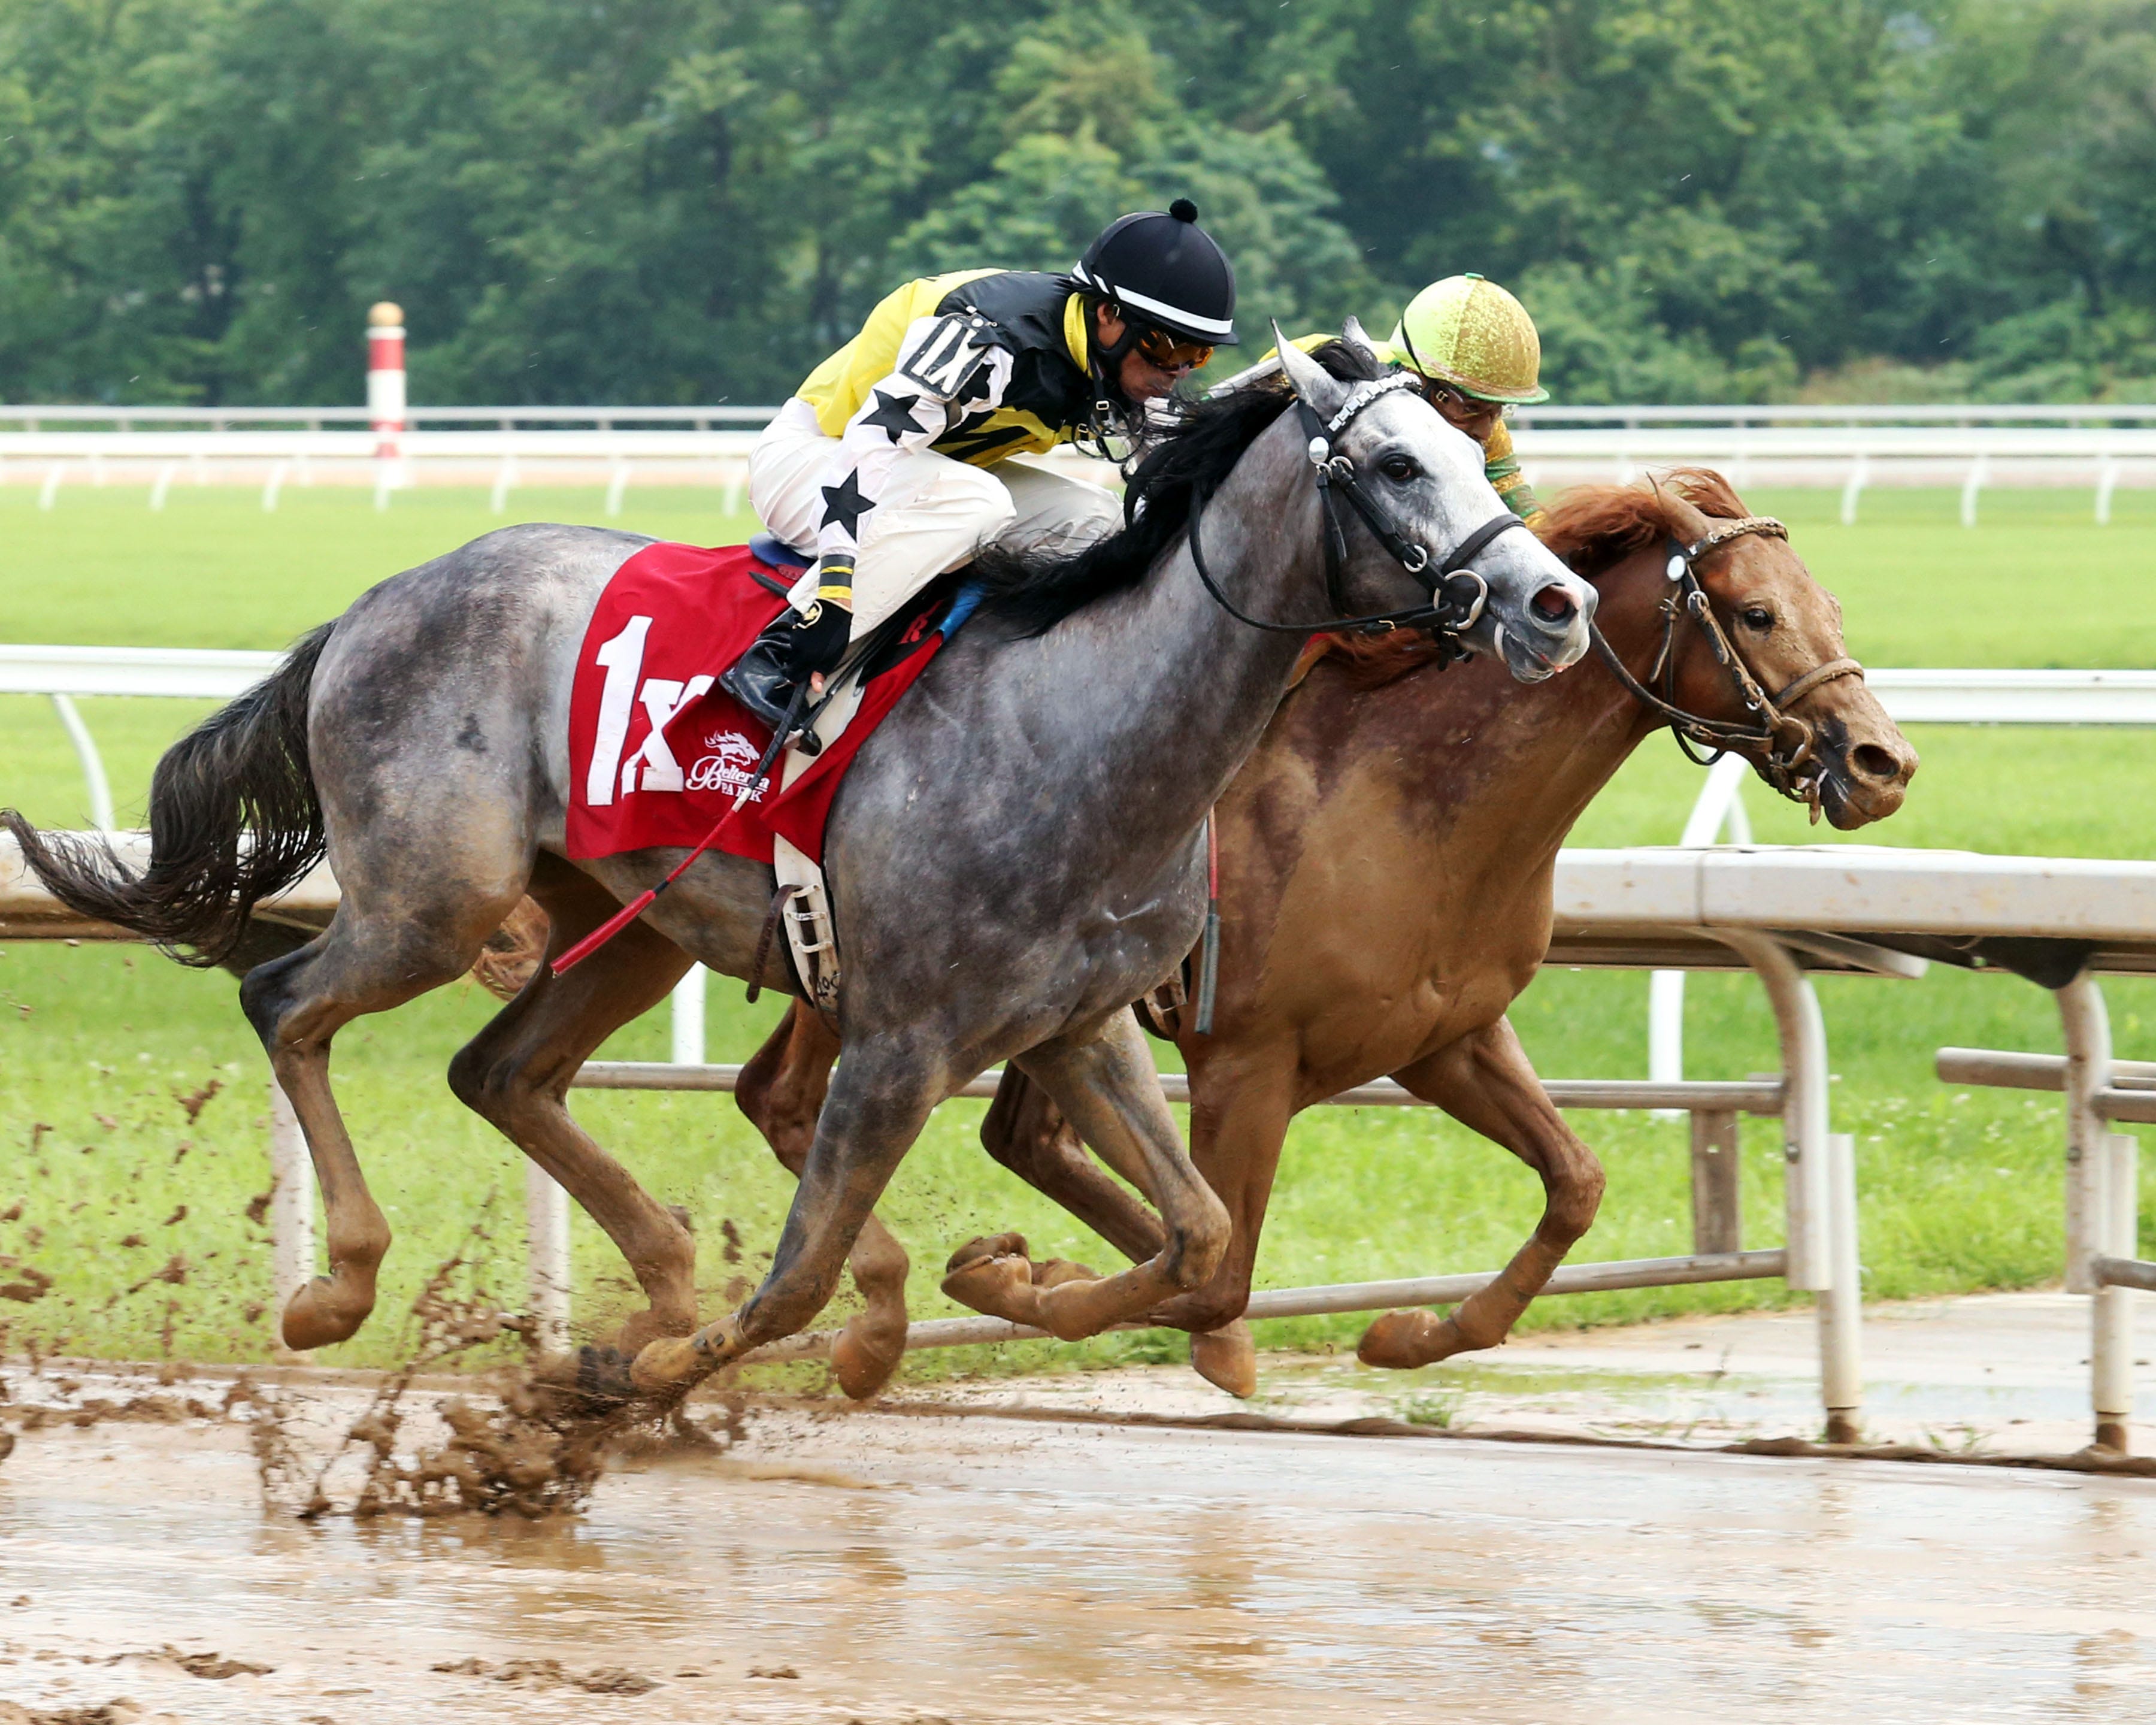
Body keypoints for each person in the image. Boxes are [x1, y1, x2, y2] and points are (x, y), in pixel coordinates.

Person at [721, 200, 1237, 728]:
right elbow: (871, 445)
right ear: (1108, 314)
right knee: (978, 502)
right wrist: (834, 591)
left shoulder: (1116, 364)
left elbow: (1185, 461)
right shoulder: (990, 335)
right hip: (818, 457)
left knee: (1097, 520)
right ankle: (777, 656)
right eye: (1165, 346)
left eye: (1197, 355)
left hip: (926, 472)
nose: (1176, 370)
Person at [1383, 273, 1548, 525]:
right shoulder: (1335, 388)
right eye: (1471, 407)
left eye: (1498, 411)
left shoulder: (1487, 426)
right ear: (1415, 378)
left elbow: (1526, 513)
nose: (1484, 431)